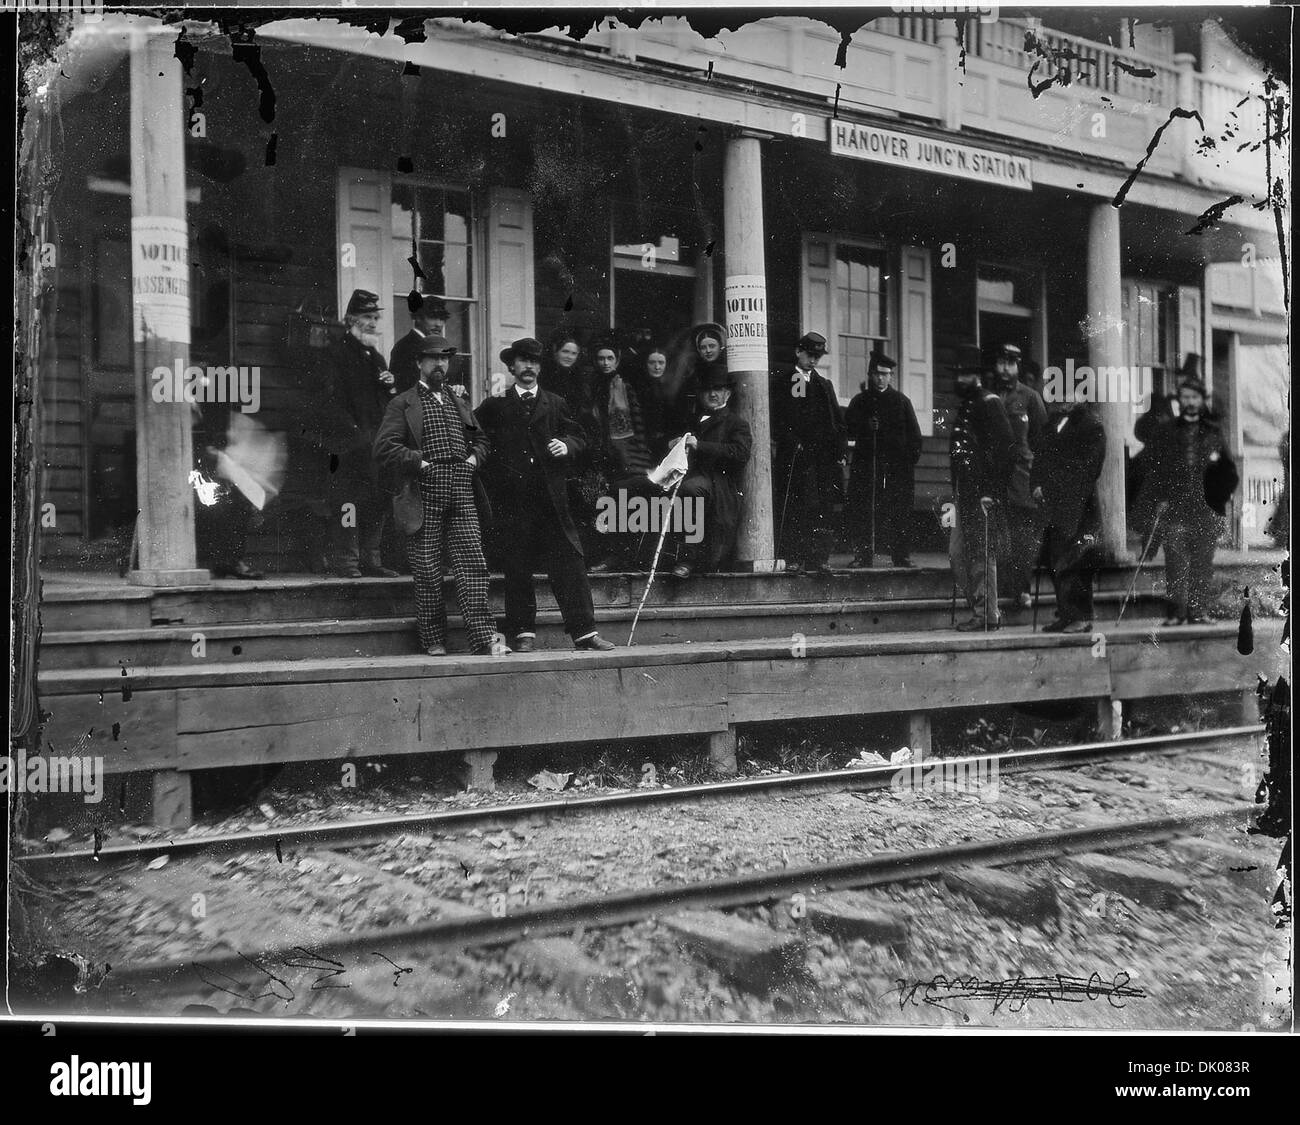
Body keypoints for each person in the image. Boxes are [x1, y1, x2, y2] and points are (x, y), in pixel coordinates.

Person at [474, 337, 615, 652]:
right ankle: (522, 633)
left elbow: (580, 436)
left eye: (534, 362)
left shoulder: (555, 403)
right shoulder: (495, 405)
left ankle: (585, 632)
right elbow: (474, 434)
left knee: (570, 563)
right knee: (517, 566)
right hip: (514, 501)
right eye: (523, 361)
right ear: (512, 366)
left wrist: (566, 444)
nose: (529, 368)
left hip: (551, 500)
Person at [373, 335, 497, 656]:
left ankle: (483, 639)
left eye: (445, 359)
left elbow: (481, 440)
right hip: (424, 489)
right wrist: (420, 462)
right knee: (427, 568)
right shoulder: (403, 402)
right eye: (433, 359)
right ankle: (433, 640)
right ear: (419, 363)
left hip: (462, 487)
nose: (440, 364)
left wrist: (473, 460)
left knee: (473, 564)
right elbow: (385, 447)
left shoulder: (458, 402)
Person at [1142, 374, 1238, 625]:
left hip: (1206, 509)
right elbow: (1153, 469)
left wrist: (1219, 498)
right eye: (1186, 397)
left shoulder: (1214, 433)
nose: (1191, 402)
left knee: (1203, 563)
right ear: (1179, 399)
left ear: (1202, 400)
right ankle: (1176, 613)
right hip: (1175, 507)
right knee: (1175, 562)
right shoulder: (1165, 432)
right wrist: (1160, 498)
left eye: (1195, 397)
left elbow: (1229, 472)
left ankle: (1198, 612)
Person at [320, 289, 400, 578]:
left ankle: (371, 559)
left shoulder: (376, 357)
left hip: (376, 445)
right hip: (348, 445)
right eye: (367, 316)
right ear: (351, 318)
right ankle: (347, 561)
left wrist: (390, 386)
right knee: (347, 503)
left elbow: (386, 404)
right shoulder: (335, 353)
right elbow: (328, 401)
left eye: (375, 317)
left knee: (377, 501)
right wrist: (354, 434)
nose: (372, 323)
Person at [948, 343, 1015, 631]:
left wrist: (991, 491)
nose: (958, 379)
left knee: (981, 553)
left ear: (975, 376)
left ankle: (987, 614)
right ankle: (982, 608)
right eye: (958, 374)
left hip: (982, 495)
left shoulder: (989, 402)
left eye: (964, 374)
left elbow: (1006, 450)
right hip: (966, 491)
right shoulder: (970, 403)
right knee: (958, 553)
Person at [770, 331, 846, 575]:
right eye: (809, 355)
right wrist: (793, 441)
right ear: (798, 352)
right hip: (796, 456)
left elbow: (836, 419)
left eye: (817, 357)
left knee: (822, 508)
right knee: (795, 507)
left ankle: (819, 559)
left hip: (821, 459)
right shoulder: (786, 381)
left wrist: (839, 449)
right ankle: (793, 557)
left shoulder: (824, 385)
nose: (813, 361)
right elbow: (779, 419)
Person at [670, 365, 753, 578]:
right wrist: (673, 443)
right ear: (700, 394)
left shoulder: (736, 423)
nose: (713, 394)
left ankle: (687, 559)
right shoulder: (692, 420)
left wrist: (701, 445)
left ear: (728, 393)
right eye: (708, 390)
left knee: (691, 491)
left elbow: (740, 453)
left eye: (718, 389)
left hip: (718, 484)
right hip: (690, 475)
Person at [1031, 399, 1106, 633]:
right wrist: (1036, 483)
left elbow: (1089, 468)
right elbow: (1041, 456)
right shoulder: (1054, 423)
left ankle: (1080, 616)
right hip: (1054, 504)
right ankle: (1066, 614)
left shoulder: (1091, 425)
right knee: (1057, 560)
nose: (1064, 400)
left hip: (1079, 504)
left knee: (1076, 560)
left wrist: (1056, 486)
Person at [844, 350, 922, 568]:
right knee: (863, 509)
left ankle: (901, 555)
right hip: (867, 466)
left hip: (896, 469)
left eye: (886, 374)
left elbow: (915, 437)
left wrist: (906, 462)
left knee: (899, 511)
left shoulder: (901, 402)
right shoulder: (860, 401)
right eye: (877, 374)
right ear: (870, 374)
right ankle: (863, 555)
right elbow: (848, 430)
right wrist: (865, 426)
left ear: (891, 376)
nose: (881, 378)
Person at [991, 343, 1047, 606]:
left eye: (1011, 364)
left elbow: (1042, 443)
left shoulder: (1030, 398)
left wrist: (1040, 479)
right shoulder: (986, 396)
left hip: (1021, 477)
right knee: (997, 534)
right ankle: (998, 588)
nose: (1005, 369)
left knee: (1022, 537)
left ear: (1018, 366)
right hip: (992, 476)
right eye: (1001, 363)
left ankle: (1022, 588)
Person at [389, 298, 450, 395]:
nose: (438, 324)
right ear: (418, 318)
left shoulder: (436, 345)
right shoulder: (405, 347)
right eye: (432, 317)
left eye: (442, 319)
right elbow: (405, 388)